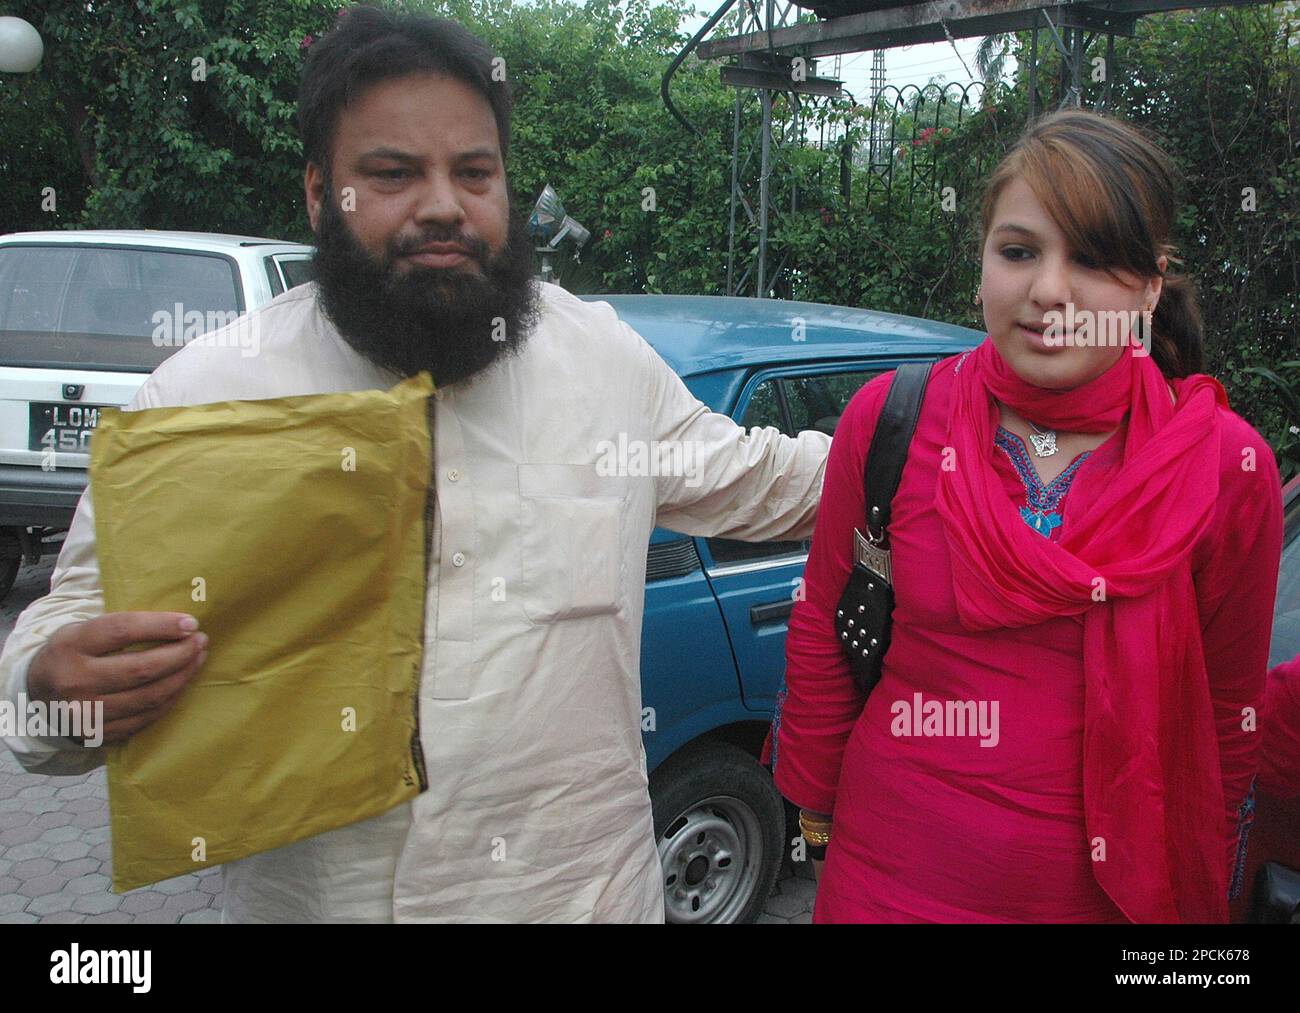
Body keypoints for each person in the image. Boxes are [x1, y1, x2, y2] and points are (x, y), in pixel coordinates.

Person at [0, 6, 830, 922]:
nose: (444, 205)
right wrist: (53, 690)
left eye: (475, 173)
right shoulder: (200, 394)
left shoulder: (599, 360)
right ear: (321, 194)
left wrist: (946, 429)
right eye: (392, 174)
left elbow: (769, 478)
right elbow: (60, 654)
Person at [773, 109, 1284, 923]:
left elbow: (1224, 724)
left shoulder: (1224, 467)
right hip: (885, 874)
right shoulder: (890, 419)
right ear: (981, 267)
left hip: (1106, 899)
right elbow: (825, 627)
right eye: (1019, 252)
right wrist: (812, 815)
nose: (1049, 290)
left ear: (1151, 284)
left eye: (1092, 258)